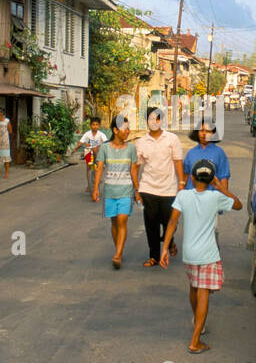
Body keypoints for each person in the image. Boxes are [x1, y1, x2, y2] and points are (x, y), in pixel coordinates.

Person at [160, 159, 241, 354]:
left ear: (193, 178)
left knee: (194, 288)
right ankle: (195, 341)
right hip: (207, 254)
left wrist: (165, 247)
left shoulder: (183, 195)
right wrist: (221, 187)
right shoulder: (215, 197)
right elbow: (238, 205)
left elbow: (172, 222)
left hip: (189, 253)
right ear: (211, 178)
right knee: (204, 293)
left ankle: (198, 322)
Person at [135, 107, 184, 268]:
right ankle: (154, 256)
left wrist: (181, 183)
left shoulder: (171, 139)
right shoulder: (141, 142)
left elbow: (178, 161)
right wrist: (137, 189)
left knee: (170, 222)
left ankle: (169, 241)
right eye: (150, 119)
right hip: (148, 188)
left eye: (157, 119)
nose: (154, 122)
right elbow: (135, 167)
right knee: (151, 224)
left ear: (161, 121)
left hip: (169, 189)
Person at [91, 113, 139, 269]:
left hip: (126, 190)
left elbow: (133, 170)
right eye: (125, 128)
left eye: (128, 128)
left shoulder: (131, 148)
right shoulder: (104, 148)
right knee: (114, 222)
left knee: (122, 220)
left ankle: (118, 254)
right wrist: (95, 188)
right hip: (109, 191)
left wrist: (137, 190)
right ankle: (118, 248)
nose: (128, 131)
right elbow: (99, 169)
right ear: (115, 130)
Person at [184, 119, 230, 195]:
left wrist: (224, 197)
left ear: (213, 133)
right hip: (192, 196)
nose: (204, 134)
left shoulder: (219, 152)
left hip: (211, 197)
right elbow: (186, 175)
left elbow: (224, 177)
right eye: (201, 130)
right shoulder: (191, 153)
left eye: (208, 131)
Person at [77, 117, 107, 194]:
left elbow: (106, 143)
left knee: (99, 166)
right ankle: (89, 185)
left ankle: (98, 164)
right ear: (90, 125)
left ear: (99, 126)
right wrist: (76, 147)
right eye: (93, 124)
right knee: (88, 168)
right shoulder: (87, 134)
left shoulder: (101, 134)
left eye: (97, 124)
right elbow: (81, 142)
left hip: (98, 152)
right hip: (89, 152)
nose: (95, 126)